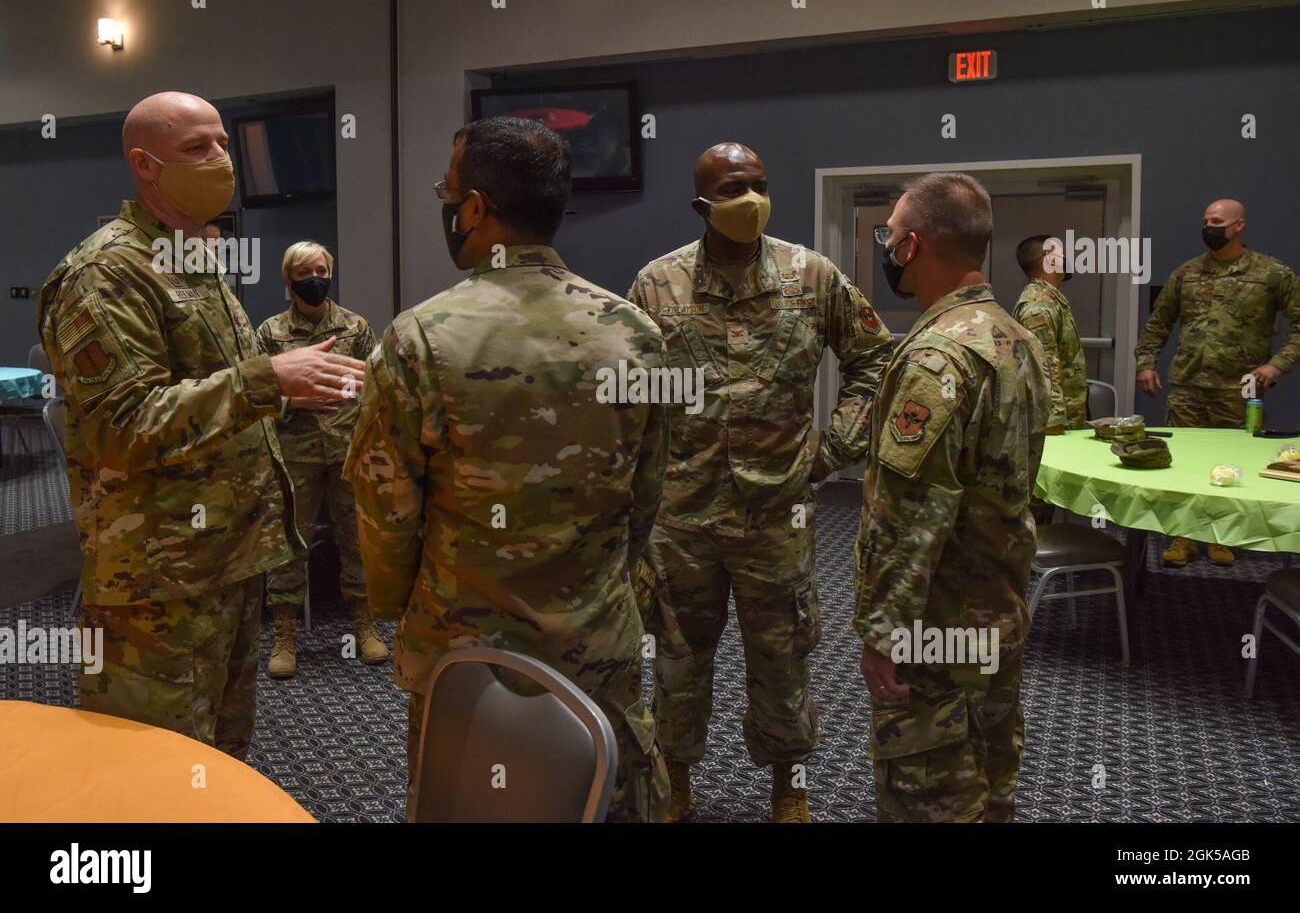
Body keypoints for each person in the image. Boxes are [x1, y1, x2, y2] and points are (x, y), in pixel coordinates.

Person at [345, 115, 670, 821]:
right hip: (597, 642)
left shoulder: (419, 338)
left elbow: (385, 514)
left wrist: (398, 610)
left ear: (474, 210)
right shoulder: (636, 335)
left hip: (466, 658)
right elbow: (645, 500)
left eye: (447, 192)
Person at [37, 91, 367, 759]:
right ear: (145, 165)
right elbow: (124, 426)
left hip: (229, 559)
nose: (221, 160)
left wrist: (286, 393)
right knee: (149, 772)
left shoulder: (192, 260)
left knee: (216, 759)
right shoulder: (107, 272)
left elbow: (210, 396)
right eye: (197, 148)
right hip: (156, 582)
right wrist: (266, 380)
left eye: (222, 143)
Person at [628, 142, 892, 823]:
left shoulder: (813, 276)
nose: (750, 197)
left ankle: (790, 785)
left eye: (759, 184)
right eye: (733, 187)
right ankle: (674, 782)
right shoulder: (656, 285)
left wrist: (832, 451)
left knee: (783, 661)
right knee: (677, 663)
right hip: (682, 519)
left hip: (779, 515)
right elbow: (629, 396)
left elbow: (874, 363)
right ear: (701, 204)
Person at [855, 172, 1049, 822]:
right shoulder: (1016, 339)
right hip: (998, 610)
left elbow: (911, 515)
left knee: (930, 789)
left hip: (937, 629)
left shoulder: (937, 357)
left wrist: (884, 632)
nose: (886, 247)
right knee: (991, 777)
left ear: (913, 245)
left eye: (890, 234)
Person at [1134, 199, 1300, 568]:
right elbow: (1158, 322)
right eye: (1206, 220)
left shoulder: (1272, 274)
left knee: (1230, 465)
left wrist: (1276, 366)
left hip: (1240, 386)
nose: (1209, 227)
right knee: (1184, 465)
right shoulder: (1187, 274)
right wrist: (1146, 363)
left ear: (1239, 225)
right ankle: (1184, 535)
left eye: (1217, 221)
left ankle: (1220, 537)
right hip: (1188, 383)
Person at [256, 242, 387, 678]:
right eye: (303, 272)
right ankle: (285, 634)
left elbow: (375, 387)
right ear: (288, 279)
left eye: (320, 269)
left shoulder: (355, 327)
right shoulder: (271, 333)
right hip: (296, 452)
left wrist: (342, 391)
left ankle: (365, 625)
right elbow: (256, 395)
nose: (313, 278)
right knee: (290, 543)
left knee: (356, 540)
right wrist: (293, 401)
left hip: (348, 451)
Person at [1012, 234, 1088, 434]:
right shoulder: (1039, 308)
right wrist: (1055, 425)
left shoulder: (1051, 301)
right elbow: (1045, 372)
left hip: (1068, 423)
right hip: (1055, 430)